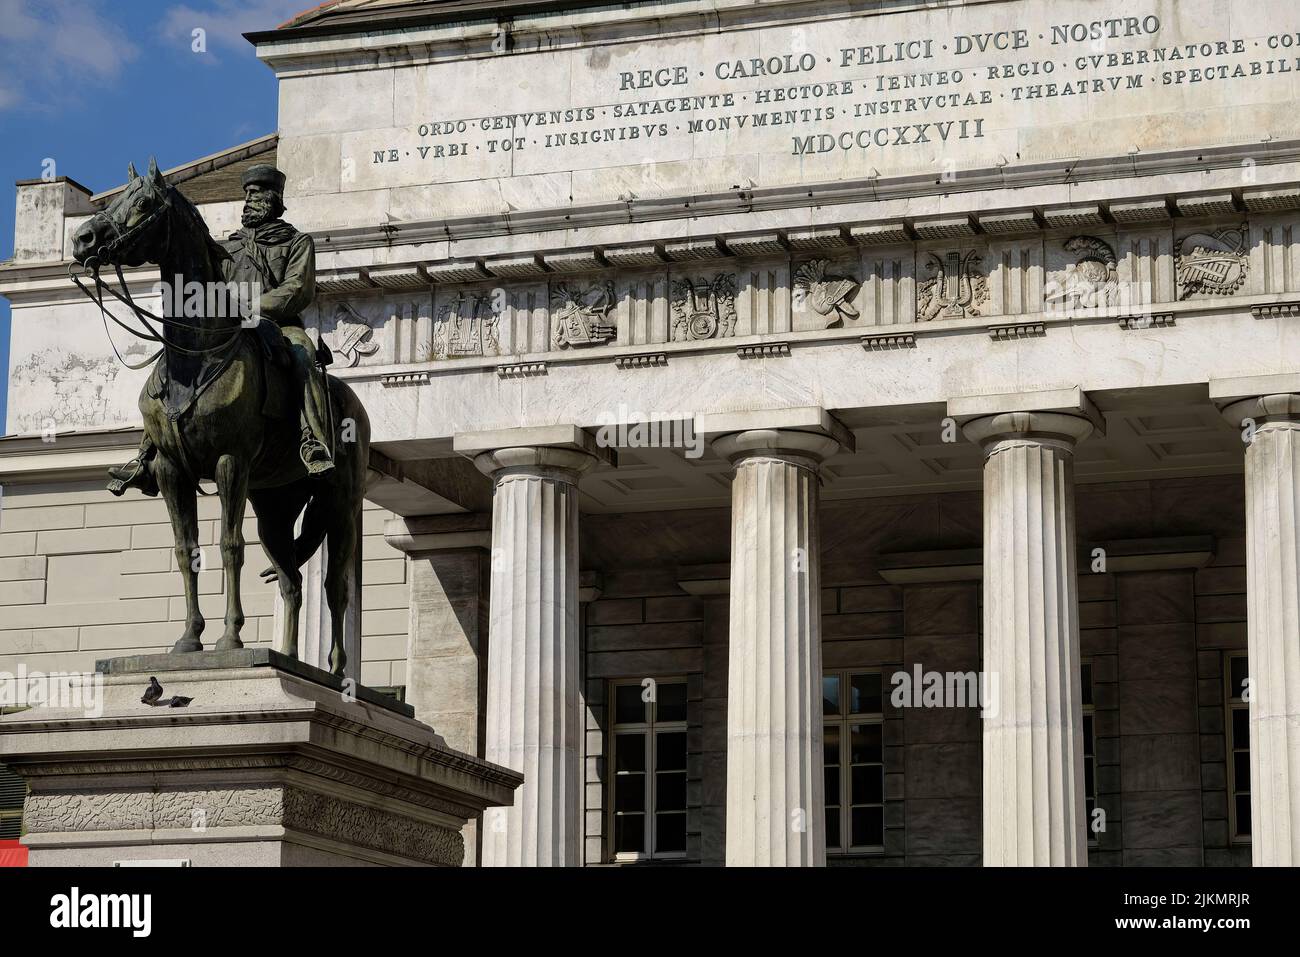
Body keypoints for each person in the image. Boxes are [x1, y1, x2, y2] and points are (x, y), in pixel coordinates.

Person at [108, 164, 334, 495]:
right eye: (247, 194)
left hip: (278, 325)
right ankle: (147, 455)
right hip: (231, 326)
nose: (249, 200)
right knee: (170, 365)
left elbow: (297, 289)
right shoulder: (230, 249)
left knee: (303, 356)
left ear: (273, 200)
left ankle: (313, 440)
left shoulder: (297, 243)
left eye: (256, 194)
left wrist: (252, 307)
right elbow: (212, 286)